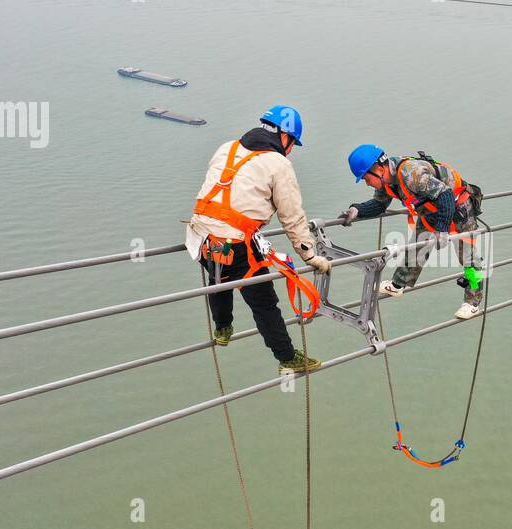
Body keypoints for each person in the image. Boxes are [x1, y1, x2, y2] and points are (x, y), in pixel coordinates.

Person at [185, 105, 330, 374]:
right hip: (236, 240)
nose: (291, 150)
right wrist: (310, 255)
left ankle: (223, 328)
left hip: (201, 236)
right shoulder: (278, 164)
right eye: (293, 143)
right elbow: (292, 216)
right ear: (284, 136)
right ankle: (287, 357)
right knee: (264, 302)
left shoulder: (227, 147)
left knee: (218, 277)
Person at [339, 144, 485, 320]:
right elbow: (379, 205)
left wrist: (442, 230)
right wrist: (356, 210)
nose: (367, 183)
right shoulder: (387, 181)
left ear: (378, 168)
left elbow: (445, 194)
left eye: (365, 178)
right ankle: (397, 285)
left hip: (459, 206)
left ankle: (473, 303)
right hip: (431, 210)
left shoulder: (410, 174)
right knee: (417, 246)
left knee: (467, 255)